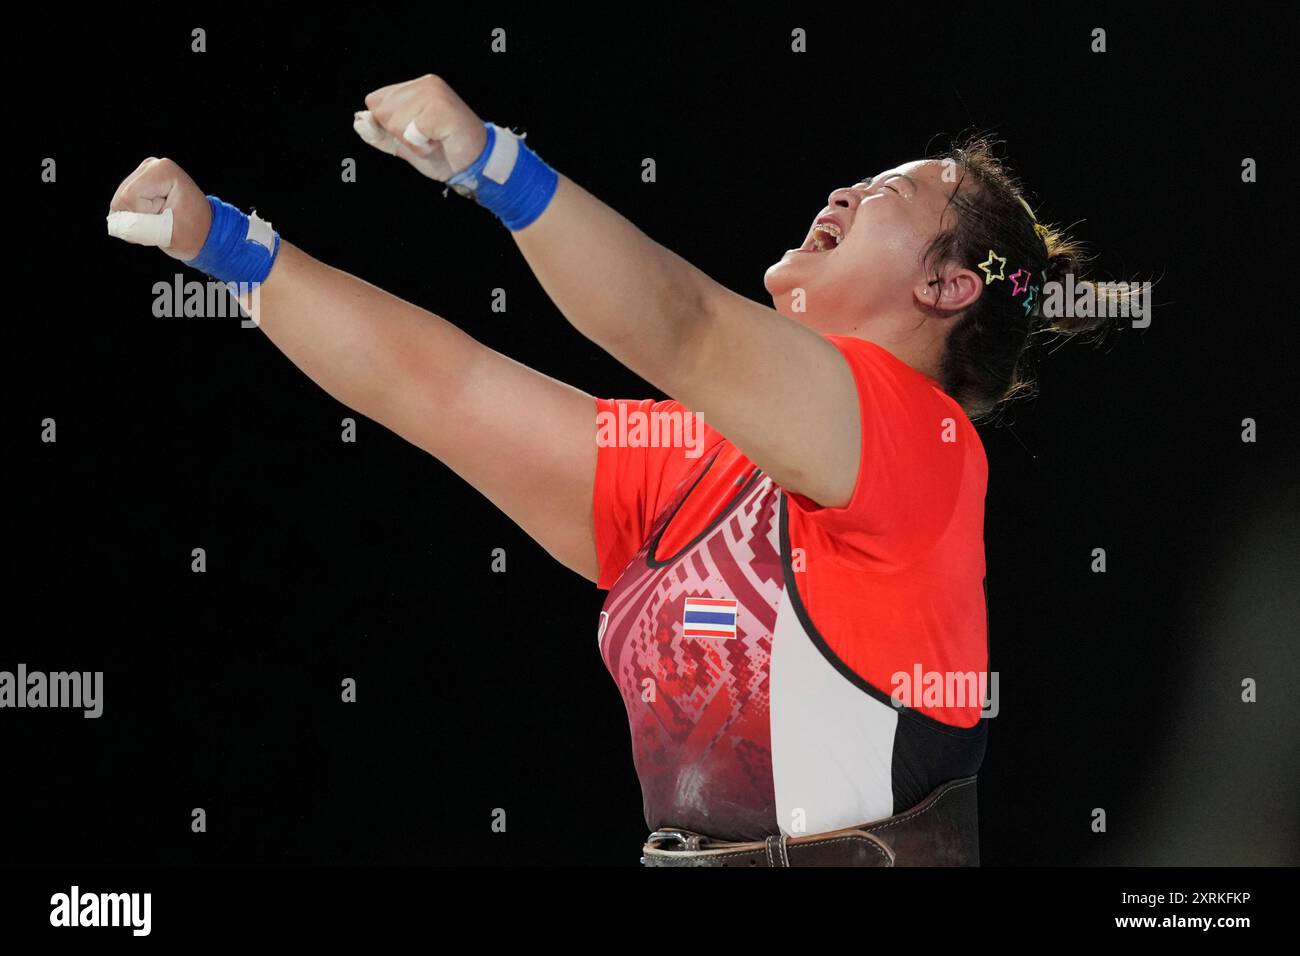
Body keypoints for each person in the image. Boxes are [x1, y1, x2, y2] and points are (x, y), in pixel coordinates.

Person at [106, 74, 1112, 866]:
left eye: (888, 192)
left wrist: (497, 164)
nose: (843, 189)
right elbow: (441, 390)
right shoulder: (686, 467)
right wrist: (228, 244)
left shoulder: (925, 450)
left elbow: (685, 325)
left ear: (943, 284)